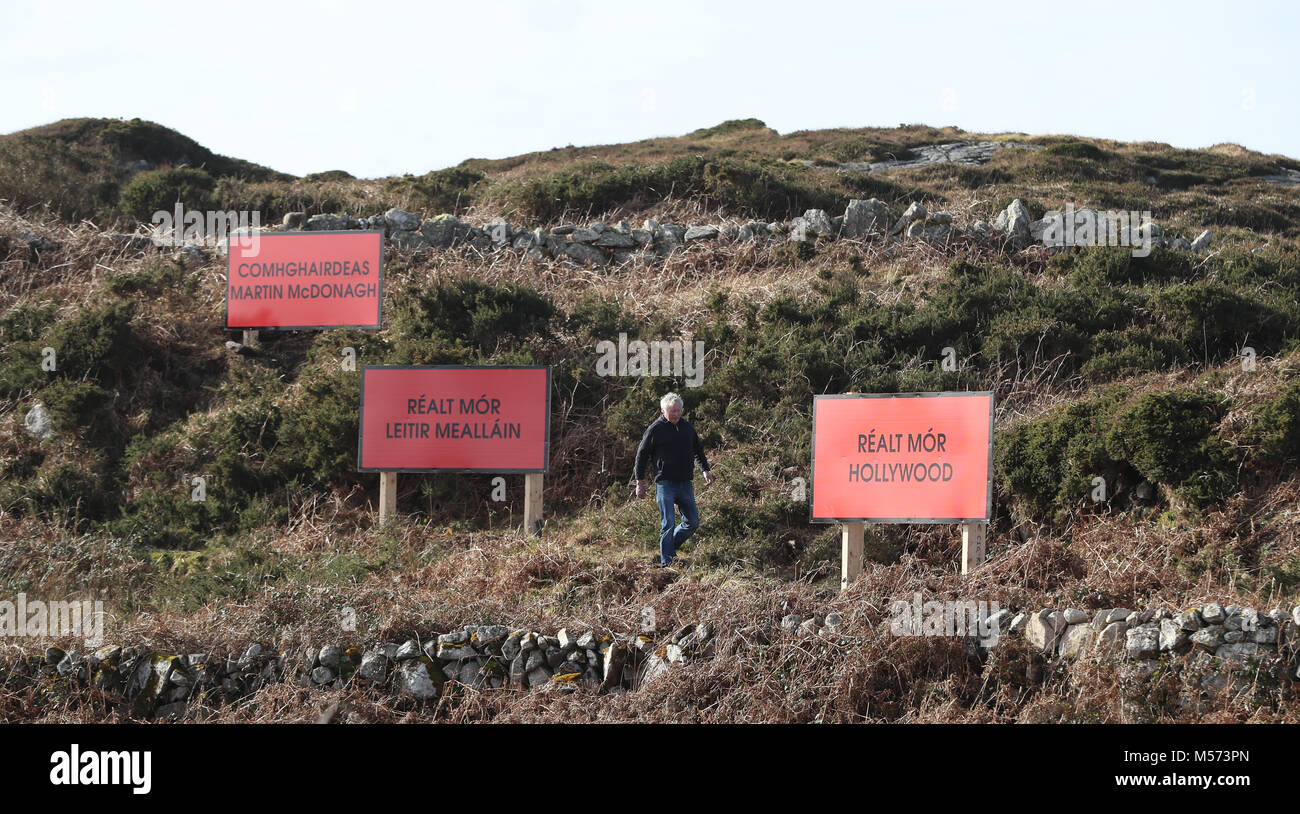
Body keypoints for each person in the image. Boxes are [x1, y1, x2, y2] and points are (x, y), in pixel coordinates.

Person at [633, 392, 714, 567]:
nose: (676, 414)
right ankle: (667, 564)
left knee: (692, 522)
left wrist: (705, 470)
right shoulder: (655, 429)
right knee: (668, 523)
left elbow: (698, 451)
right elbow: (641, 455)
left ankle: (668, 548)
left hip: (685, 483)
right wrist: (640, 482)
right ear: (663, 411)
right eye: (672, 411)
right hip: (665, 484)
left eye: (678, 410)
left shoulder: (687, 428)